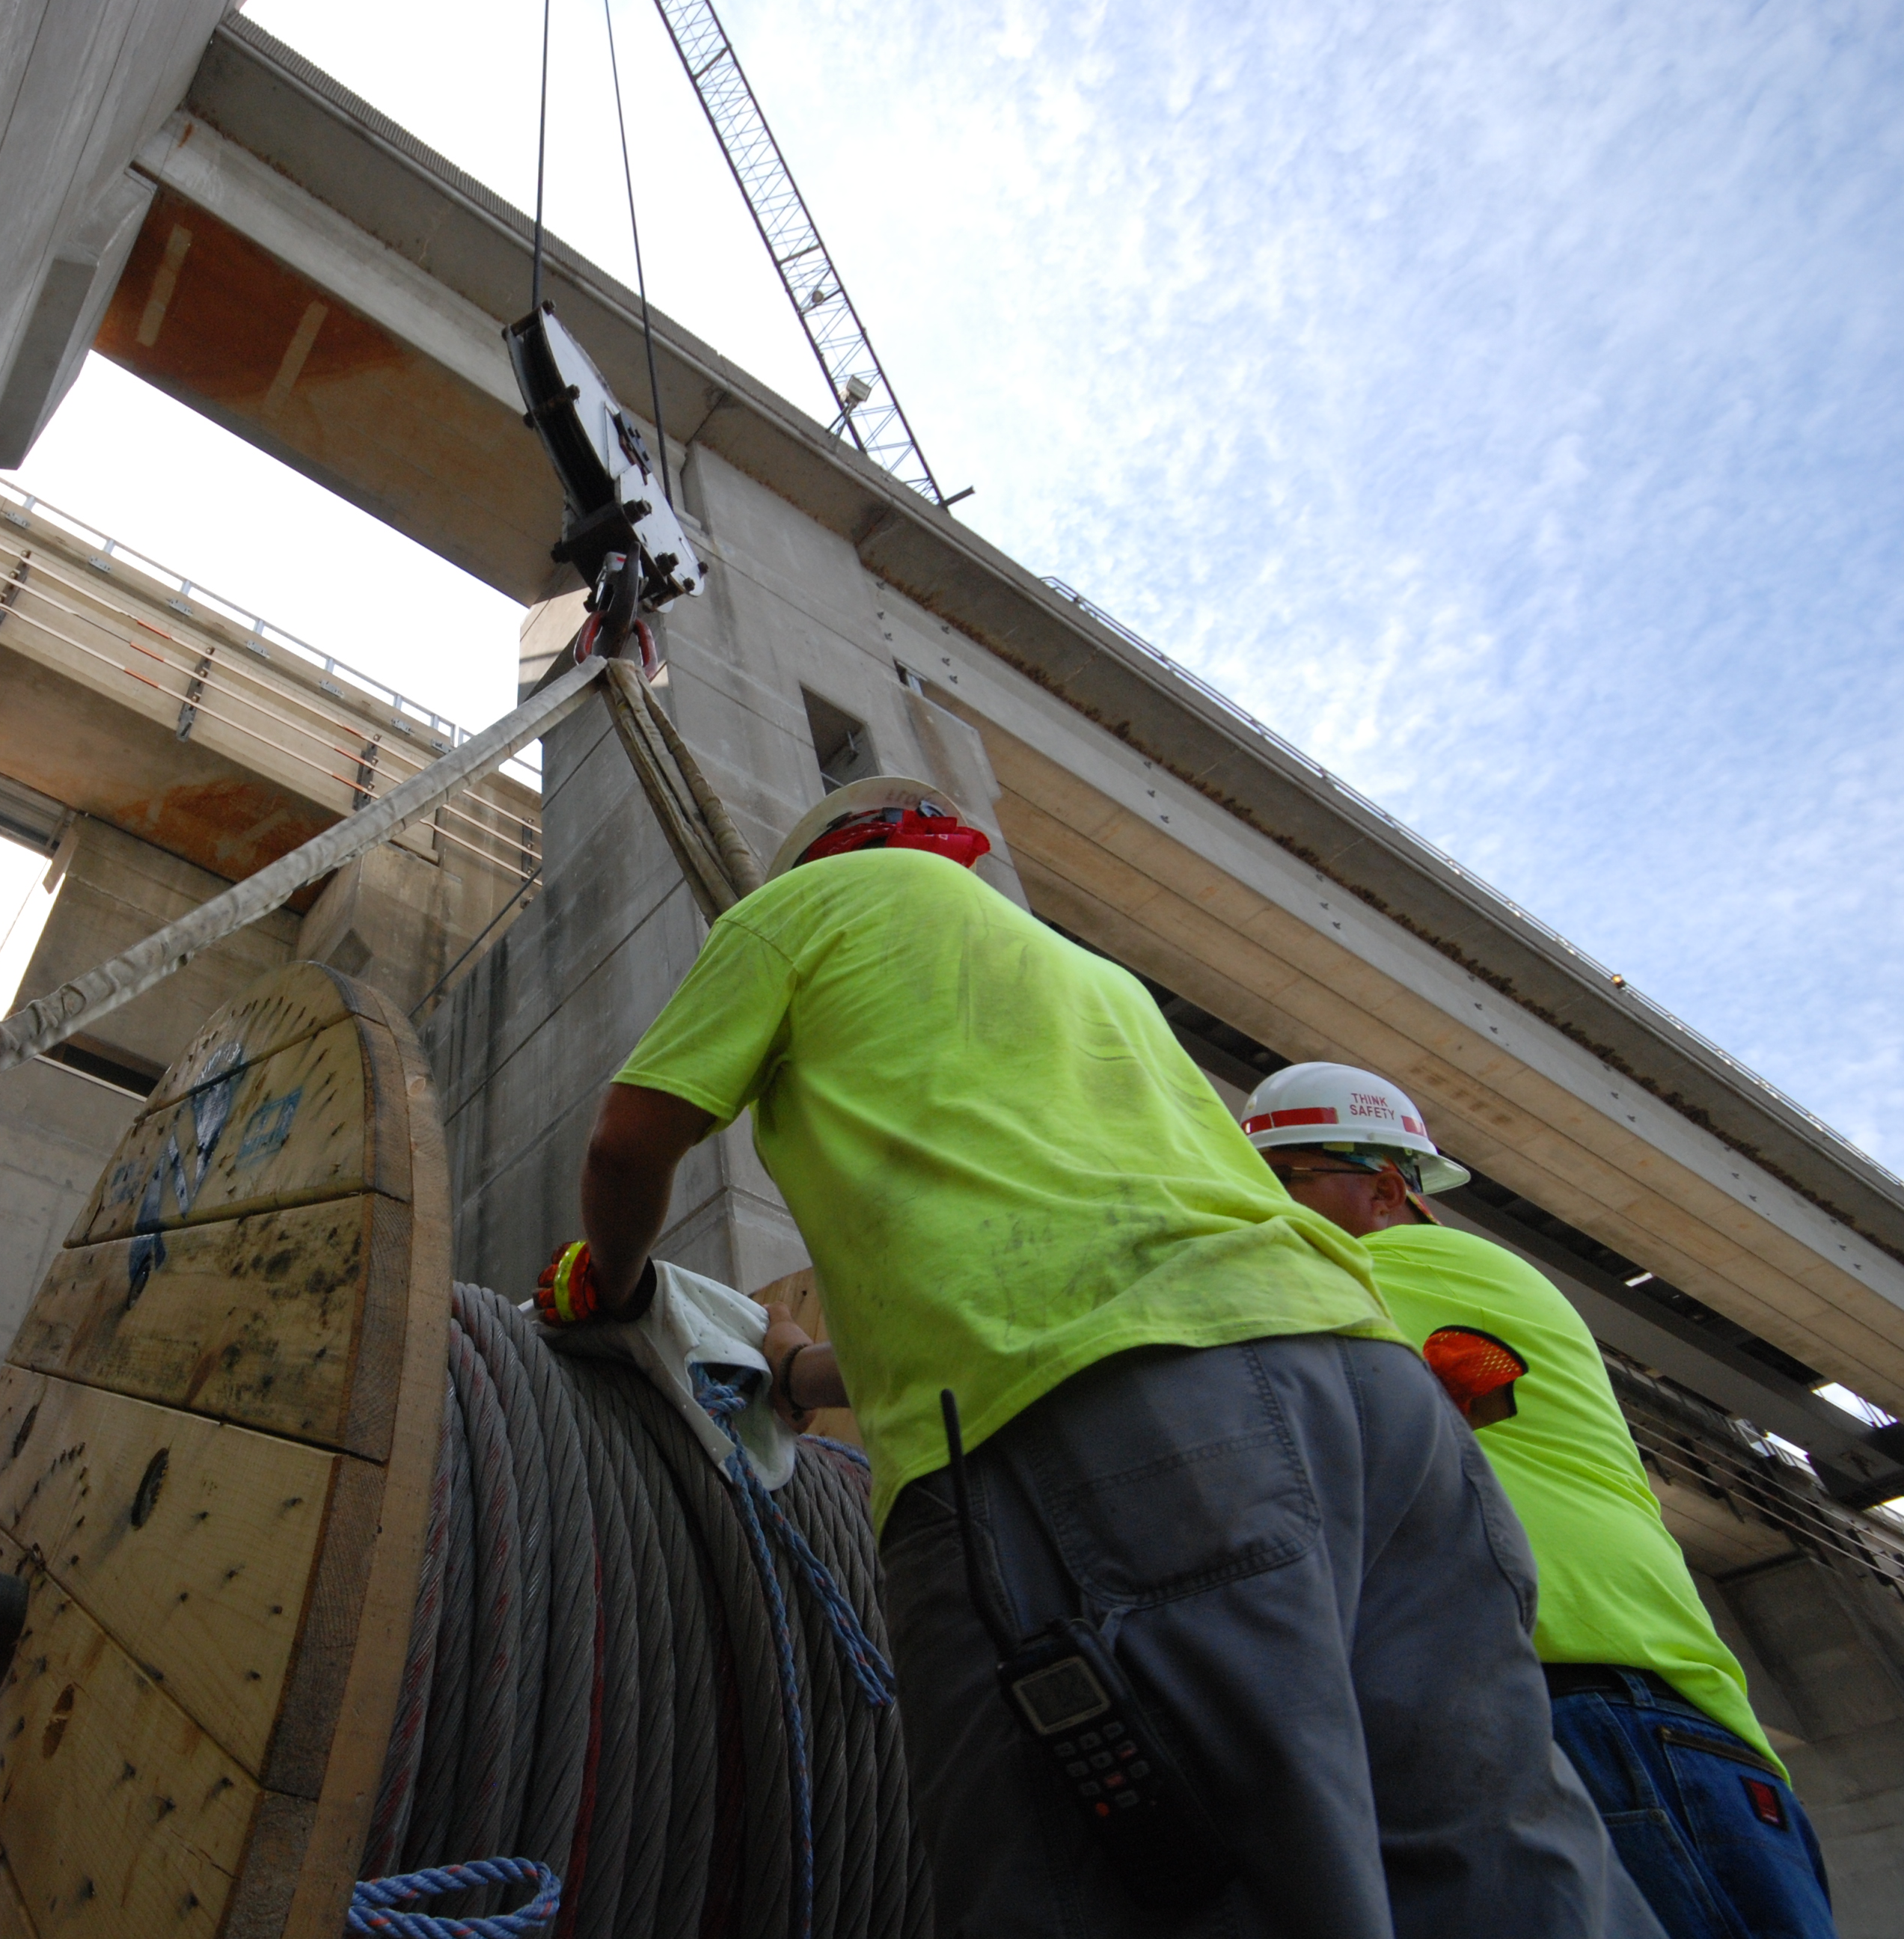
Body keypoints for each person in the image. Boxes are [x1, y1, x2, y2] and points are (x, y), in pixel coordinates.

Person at [542, 775, 1658, 1937]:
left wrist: (613, 1284)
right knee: (1492, 1861)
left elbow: (629, 1144)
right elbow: (1082, 1279)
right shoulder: (1092, 980)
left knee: (1149, 1888)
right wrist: (795, 1372)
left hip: (1132, 1434)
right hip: (1372, 1403)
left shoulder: (802, 908)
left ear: (815, 863)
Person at [1244, 1061, 1835, 1939]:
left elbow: (1229, 1322)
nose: (1263, 1207)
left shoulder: (1417, 1262)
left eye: (1281, 1181)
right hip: (1582, 1710)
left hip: (1603, 1704)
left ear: (1383, 1188)